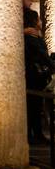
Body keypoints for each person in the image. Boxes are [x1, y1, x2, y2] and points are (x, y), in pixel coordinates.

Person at [24, 9, 54, 145]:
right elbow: (43, 57)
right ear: (35, 22)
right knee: (35, 106)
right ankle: (36, 134)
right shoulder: (33, 38)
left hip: (31, 76)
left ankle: (33, 134)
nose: (41, 21)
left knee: (33, 106)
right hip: (35, 76)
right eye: (39, 19)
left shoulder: (28, 36)